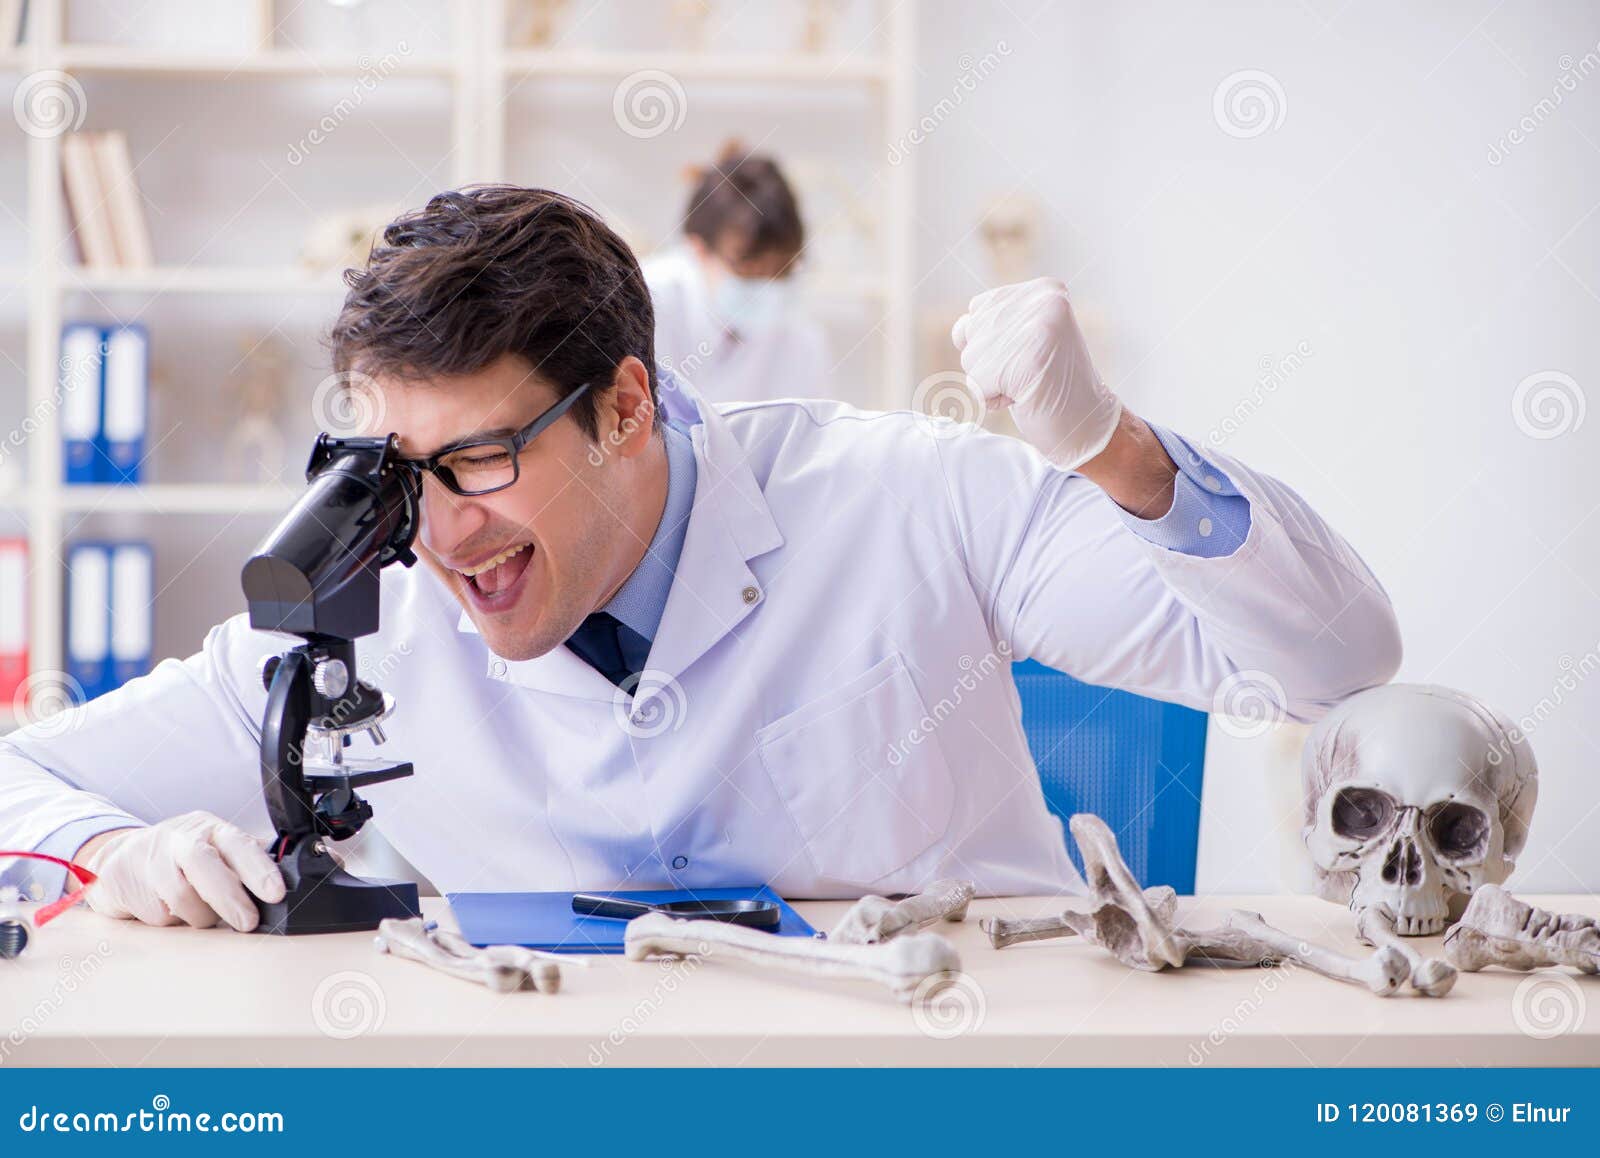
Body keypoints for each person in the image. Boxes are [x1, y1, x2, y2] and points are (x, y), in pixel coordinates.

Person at [0, 186, 1401, 932]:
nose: (441, 532)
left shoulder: (912, 495)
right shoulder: (373, 603)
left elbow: (1332, 666)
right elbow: (23, 778)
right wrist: (116, 848)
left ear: (623, 406)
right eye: (401, 469)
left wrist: (1118, 453)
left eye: (481, 460)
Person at [643, 144, 829, 404]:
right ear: (698, 249)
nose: (766, 285)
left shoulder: (800, 338)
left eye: (781, 270)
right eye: (749, 269)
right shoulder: (649, 302)